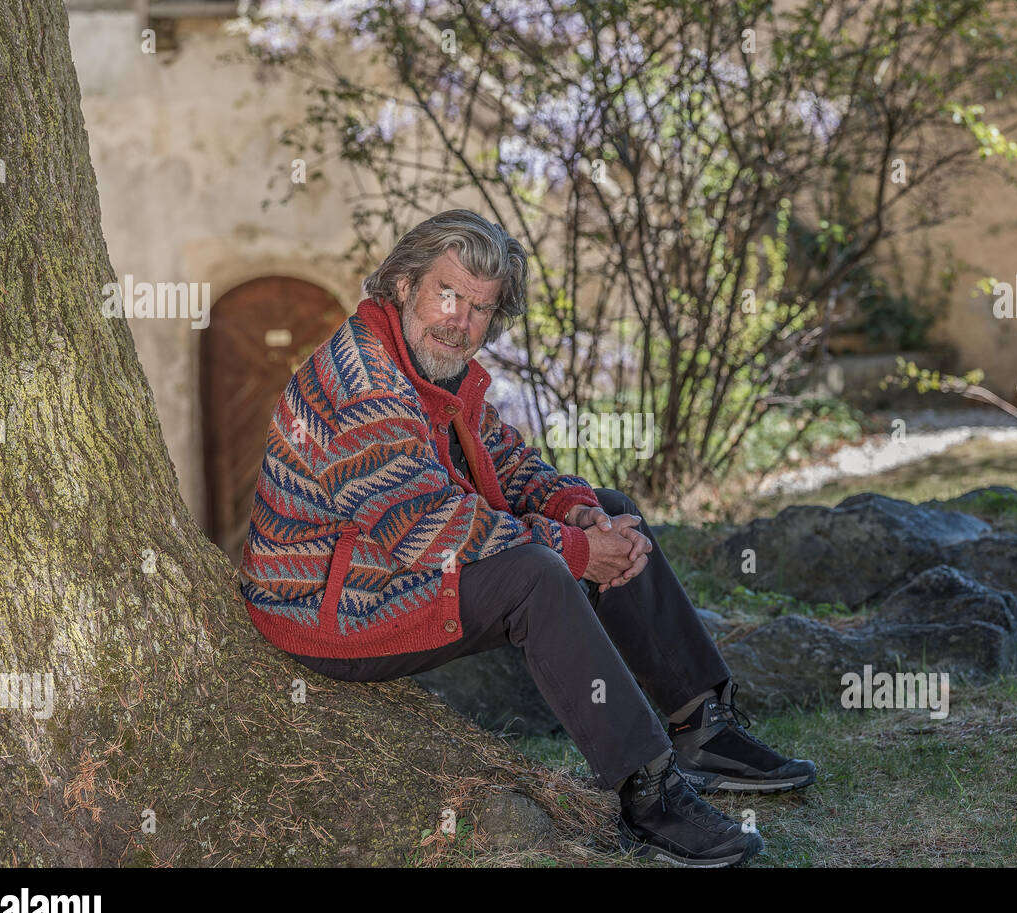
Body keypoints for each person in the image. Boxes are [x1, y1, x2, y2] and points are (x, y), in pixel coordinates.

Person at [240, 209, 816, 867]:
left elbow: (498, 456)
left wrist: (574, 512)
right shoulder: (365, 383)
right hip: (332, 607)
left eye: (481, 309)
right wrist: (572, 552)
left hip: (389, 563)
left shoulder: (430, 358)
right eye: (448, 295)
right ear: (403, 284)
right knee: (536, 574)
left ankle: (701, 725)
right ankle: (648, 797)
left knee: (609, 507)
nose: (461, 320)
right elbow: (425, 529)